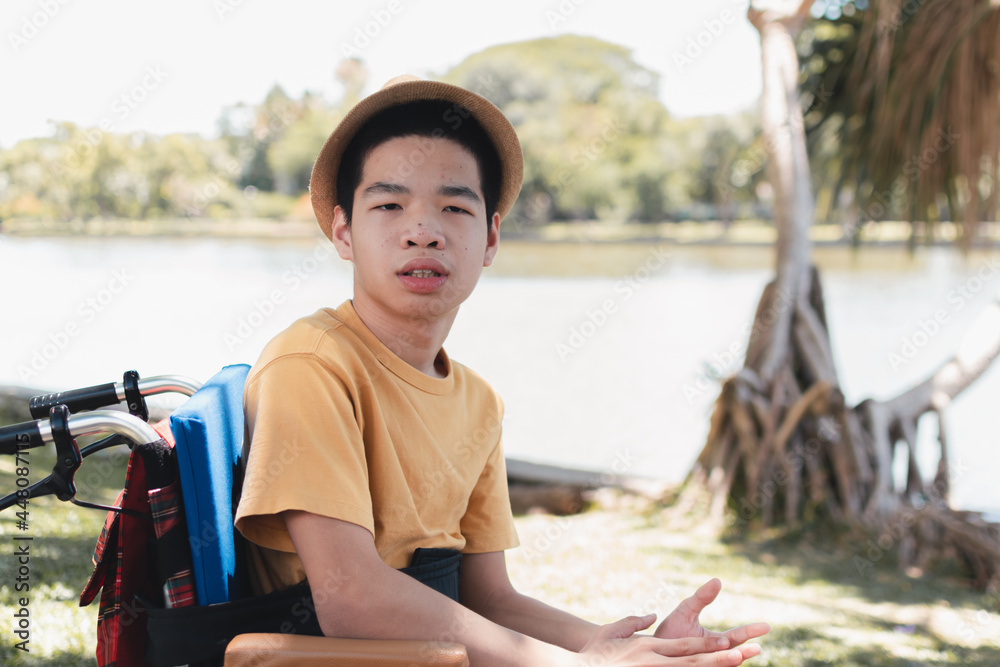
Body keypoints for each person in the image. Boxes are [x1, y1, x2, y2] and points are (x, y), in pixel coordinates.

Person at [233, 74, 770, 666]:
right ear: (343, 232)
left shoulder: (478, 400)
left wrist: (627, 649)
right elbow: (351, 599)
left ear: (490, 236)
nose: (423, 231)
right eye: (388, 204)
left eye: (454, 207)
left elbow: (491, 599)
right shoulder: (311, 365)